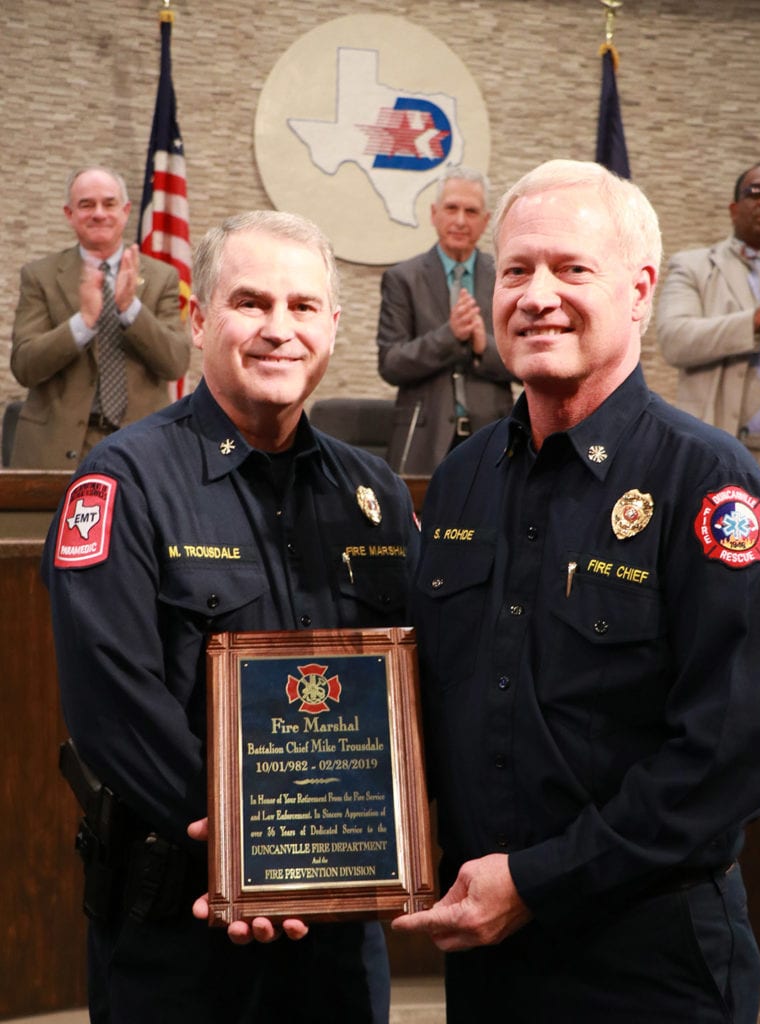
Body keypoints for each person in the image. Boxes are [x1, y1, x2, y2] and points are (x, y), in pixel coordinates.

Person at [391, 160, 760, 1023]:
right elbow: (426, 701)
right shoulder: (463, 479)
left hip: (647, 960)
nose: (537, 296)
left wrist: (539, 881)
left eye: (571, 268)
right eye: (516, 270)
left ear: (640, 290)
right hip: (489, 956)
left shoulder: (710, 486)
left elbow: (734, 753)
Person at [42, 210, 419, 1023]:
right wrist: (255, 849)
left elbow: (418, 686)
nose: (279, 329)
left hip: (340, 921)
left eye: (303, 306)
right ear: (199, 318)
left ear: (332, 325)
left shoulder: (376, 496)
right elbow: (113, 704)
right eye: (250, 303)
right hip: (180, 920)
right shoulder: (125, 482)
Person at [656, 160, 760, 488]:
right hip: (715, 450)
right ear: (734, 209)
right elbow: (675, 340)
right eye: (756, 193)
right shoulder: (693, 267)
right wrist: (755, 320)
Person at [9, 165, 190, 468]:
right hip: (55, 448)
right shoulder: (39, 276)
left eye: (109, 203)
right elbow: (24, 366)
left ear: (125, 211)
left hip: (141, 447)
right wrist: (83, 322)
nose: (98, 213)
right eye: (86, 204)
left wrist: (130, 309)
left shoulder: (163, 277)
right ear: (69, 214)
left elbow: (175, 363)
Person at [376, 165, 514, 475]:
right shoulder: (403, 279)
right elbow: (391, 363)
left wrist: (483, 346)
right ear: (434, 214)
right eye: (451, 208)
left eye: (471, 211)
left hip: (494, 435)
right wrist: (449, 335)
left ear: (485, 221)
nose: (461, 220)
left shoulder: (505, 278)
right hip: (423, 439)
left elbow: (525, 362)